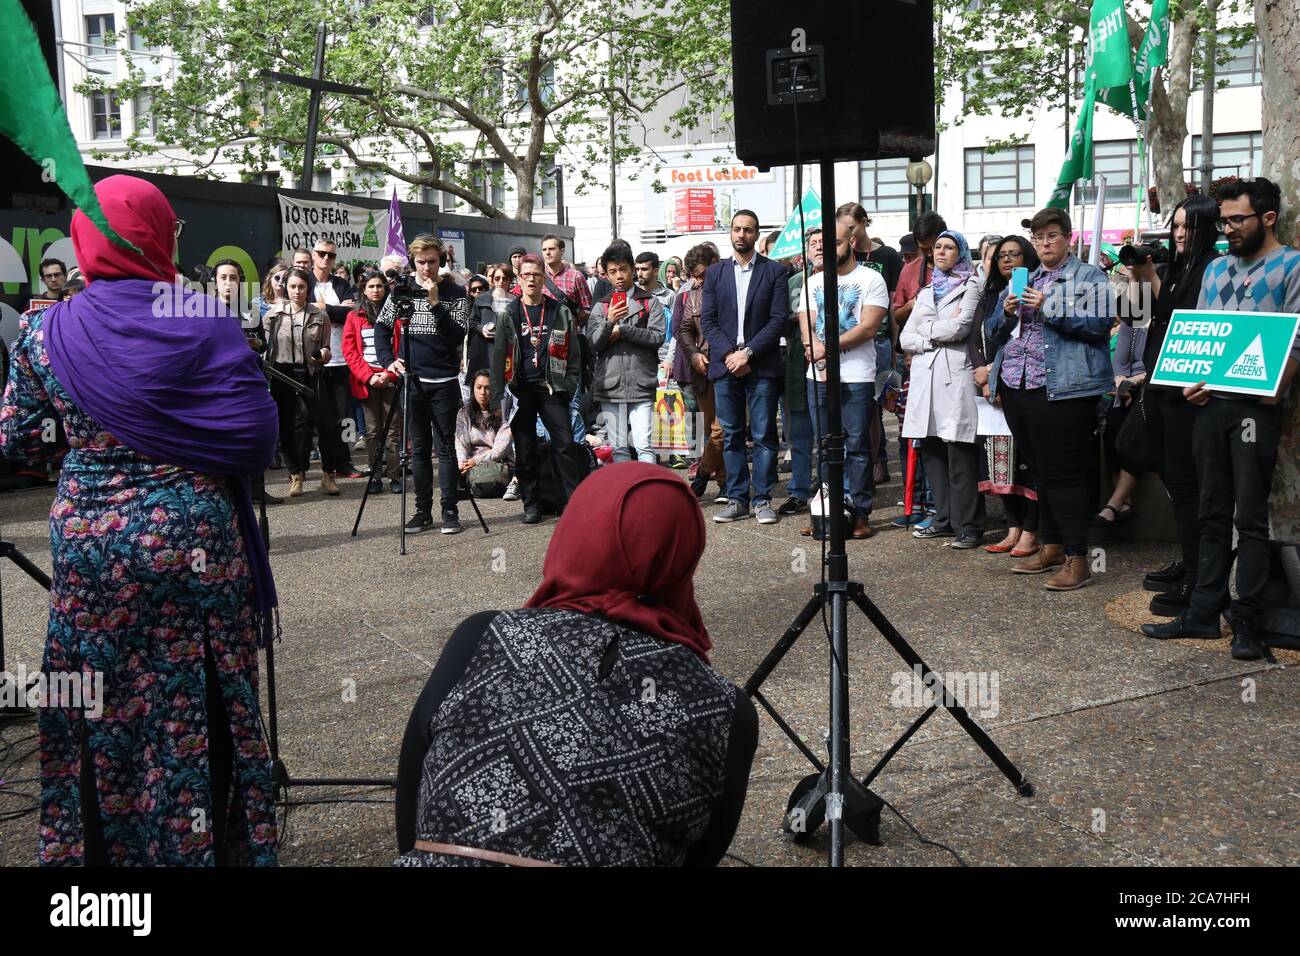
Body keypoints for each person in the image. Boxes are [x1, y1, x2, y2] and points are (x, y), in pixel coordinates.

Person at [0, 174, 279, 866]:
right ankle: (204, 848)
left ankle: (105, 866)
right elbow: (255, 435)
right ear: (156, 233)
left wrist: (90, 432)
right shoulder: (199, 313)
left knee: (98, 702)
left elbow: (17, 441)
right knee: (200, 701)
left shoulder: (43, 330)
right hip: (193, 548)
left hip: (90, 553)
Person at [394, 462, 757, 867]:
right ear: (685, 550)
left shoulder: (483, 635)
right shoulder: (726, 709)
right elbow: (701, 855)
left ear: (577, 530)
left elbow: (412, 806)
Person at [1143, 178, 1300, 660]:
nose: (1227, 228)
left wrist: (1276, 386)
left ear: (1267, 218)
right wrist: (1190, 380)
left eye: (1237, 220)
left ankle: (1249, 624)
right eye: (1225, 220)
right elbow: (1206, 334)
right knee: (1211, 512)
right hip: (1209, 408)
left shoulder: (1293, 266)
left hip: (1255, 411)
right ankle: (1203, 614)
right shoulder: (1214, 271)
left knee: (1249, 519)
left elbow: (1297, 341)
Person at [988, 208, 1115, 591]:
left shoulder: (1089, 276)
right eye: (1039, 237)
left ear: (1068, 239)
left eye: (1052, 236)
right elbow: (993, 332)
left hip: (1064, 389)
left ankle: (1079, 558)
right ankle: (1054, 545)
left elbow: (1099, 324)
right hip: (1016, 384)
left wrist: (1049, 306)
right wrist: (1008, 313)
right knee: (1040, 471)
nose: (1044, 243)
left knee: (1065, 472)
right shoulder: (1021, 279)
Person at [1123, 195, 1220, 616]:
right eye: (1176, 226)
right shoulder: (1178, 267)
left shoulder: (1212, 268)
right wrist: (1140, 275)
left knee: (1189, 488)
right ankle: (1191, 565)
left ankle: (1200, 579)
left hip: (1188, 392)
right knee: (1175, 483)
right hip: (1160, 386)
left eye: (1189, 227)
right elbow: (1135, 314)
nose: (1181, 234)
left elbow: (1190, 319)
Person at [374, 234, 470, 535]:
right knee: (418, 451)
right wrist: (389, 360)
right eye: (421, 262)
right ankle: (422, 511)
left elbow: (456, 336)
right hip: (412, 380)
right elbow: (381, 327)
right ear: (413, 262)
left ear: (440, 260)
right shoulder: (401, 290)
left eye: (431, 261)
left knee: (446, 449)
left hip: (444, 380)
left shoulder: (455, 292)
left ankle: (450, 511)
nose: (426, 268)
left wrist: (435, 303)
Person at [798, 221, 889, 539]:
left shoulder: (871, 278)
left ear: (851, 241)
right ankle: (825, 509)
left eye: (833, 242)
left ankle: (859, 511)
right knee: (824, 445)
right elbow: (806, 323)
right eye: (821, 242)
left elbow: (868, 328)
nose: (824, 247)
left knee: (857, 446)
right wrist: (814, 351)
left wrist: (826, 349)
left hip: (857, 376)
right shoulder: (814, 282)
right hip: (817, 377)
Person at [700, 210, 790, 524]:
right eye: (737, 229)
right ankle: (738, 498)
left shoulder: (774, 272)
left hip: (761, 363)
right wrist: (730, 355)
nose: (742, 234)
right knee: (732, 434)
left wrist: (747, 353)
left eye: (748, 230)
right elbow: (708, 322)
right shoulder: (715, 273)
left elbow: (778, 320)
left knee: (765, 434)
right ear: (731, 233)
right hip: (726, 366)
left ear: (756, 234)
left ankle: (762, 498)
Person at [489, 253, 589, 523]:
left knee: (565, 444)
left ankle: (573, 501)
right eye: (526, 275)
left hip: (552, 388)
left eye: (536, 274)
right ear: (518, 280)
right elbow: (499, 355)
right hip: (520, 390)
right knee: (525, 449)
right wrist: (499, 395)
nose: (531, 279)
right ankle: (531, 504)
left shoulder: (559, 311)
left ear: (543, 277)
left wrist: (567, 386)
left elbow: (575, 355)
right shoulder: (509, 313)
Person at [899, 230, 981, 548]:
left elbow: (962, 328)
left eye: (949, 247)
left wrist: (925, 332)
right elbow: (904, 337)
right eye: (938, 248)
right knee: (932, 451)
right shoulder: (926, 291)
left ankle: (968, 525)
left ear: (960, 252)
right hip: (925, 378)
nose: (942, 252)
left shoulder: (971, 285)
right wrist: (932, 335)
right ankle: (943, 518)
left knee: (959, 453)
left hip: (954, 377)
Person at [971, 236, 1041, 556]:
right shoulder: (996, 295)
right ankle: (1013, 527)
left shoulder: (1040, 290)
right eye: (1002, 256)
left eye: (1015, 254)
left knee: (1029, 461)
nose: (1008, 260)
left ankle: (1032, 530)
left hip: (1033, 383)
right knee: (1002, 462)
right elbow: (988, 334)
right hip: (1000, 383)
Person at [837, 202, 905, 485]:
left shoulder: (887, 255)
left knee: (874, 406)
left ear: (864, 223)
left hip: (877, 341)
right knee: (849, 406)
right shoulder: (840, 256)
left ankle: (877, 459)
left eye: (852, 227)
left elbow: (892, 304)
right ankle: (848, 467)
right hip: (844, 342)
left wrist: (894, 343)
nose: (849, 233)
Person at [264, 267, 341, 497]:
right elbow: (267, 348)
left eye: (301, 286)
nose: (297, 291)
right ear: (286, 288)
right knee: (288, 428)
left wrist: (324, 354)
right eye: (293, 287)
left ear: (308, 288)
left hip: (312, 372)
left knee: (327, 425)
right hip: (282, 374)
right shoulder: (272, 315)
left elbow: (327, 346)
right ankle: (296, 475)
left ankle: (328, 475)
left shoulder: (320, 315)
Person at [588, 244, 666, 464]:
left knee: (645, 446)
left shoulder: (650, 302)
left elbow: (658, 337)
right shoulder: (602, 307)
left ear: (632, 269)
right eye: (612, 272)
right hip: (610, 385)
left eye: (623, 269)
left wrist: (624, 330)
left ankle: (649, 496)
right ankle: (627, 495)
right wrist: (609, 321)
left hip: (641, 383)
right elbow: (593, 343)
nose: (619, 276)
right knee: (619, 448)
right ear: (606, 275)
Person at [343, 270, 402, 494]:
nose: (376, 290)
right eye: (371, 286)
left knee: (393, 430)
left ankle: (395, 475)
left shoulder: (395, 313)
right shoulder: (354, 316)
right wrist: (368, 376)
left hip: (390, 376)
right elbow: (350, 351)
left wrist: (390, 374)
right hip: (367, 379)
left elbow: (401, 347)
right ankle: (376, 474)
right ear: (363, 290)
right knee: (372, 430)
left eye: (380, 286)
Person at [676, 244, 726, 499]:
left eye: (702, 274)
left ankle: (705, 473)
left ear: (716, 262)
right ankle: (726, 483)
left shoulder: (732, 284)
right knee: (711, 429)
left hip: (731, 365)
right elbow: (683, 328)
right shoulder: (693, 293)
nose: (699, 280)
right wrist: (693, 354)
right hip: (703, 369)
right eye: (694, 276)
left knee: (723, 428)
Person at [309, 239, 362, 479]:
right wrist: (335, 308)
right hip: (313, 360)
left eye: (330, 255)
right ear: (313, 255)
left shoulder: (341, 283)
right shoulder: (305, 282)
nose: (325, 259)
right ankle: (326, 464)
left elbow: (350, 313)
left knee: (346, 417)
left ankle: (346, 460)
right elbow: (304, 311)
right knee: (323, 418)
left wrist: (324, 307)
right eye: (321, 254)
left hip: (341, 359)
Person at [779, 227, 821, 517]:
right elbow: (780, 320)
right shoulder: (794, 281)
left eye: (823, 242)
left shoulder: (847, 279)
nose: (818, 248)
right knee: (800, 432)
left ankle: (834, 491)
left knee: (833, 434)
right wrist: (798, 318)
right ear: (805, 251)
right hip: (797, 362)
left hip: (835, 363)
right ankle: (798, 490)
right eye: (813, 244)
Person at [455, 369, 515, 498]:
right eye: (479, 387)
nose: (483, 392)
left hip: (498, 463)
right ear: (473, 389)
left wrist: (476, 461)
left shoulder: (504, 412)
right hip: (470, 465)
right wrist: (463, 463)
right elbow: (460, 442)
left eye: (487, 388)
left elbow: (500, 449)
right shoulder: (464, 413)